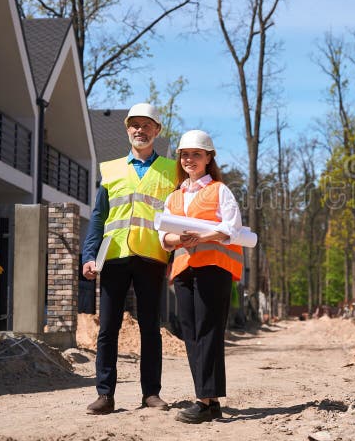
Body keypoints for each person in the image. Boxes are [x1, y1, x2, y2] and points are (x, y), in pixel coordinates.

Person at [81, 102, 177, 415]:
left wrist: (178, 258)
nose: (140, 130)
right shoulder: (109, 170)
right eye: (134, 124)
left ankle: (151, 393)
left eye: (146, 125)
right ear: (127, 129)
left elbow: (179, 218)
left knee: (151, 328)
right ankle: (105, 395)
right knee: (108, 328)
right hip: (115, 257)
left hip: (152, 257)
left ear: (157, 131)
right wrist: (89, 255)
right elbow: (98, 218)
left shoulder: (171, 171)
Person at [157, 129, 244, 424]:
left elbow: (230, 228)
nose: (189, 159)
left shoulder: (220, 191)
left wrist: (201, 236)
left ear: (208, 158)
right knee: (191, 334)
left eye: (196, 154)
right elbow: (164, 238)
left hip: (213, 269)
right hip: (184, 271)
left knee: (208, 331)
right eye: (185, 155)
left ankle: (203, 402)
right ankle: (211, 400)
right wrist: (180, 241)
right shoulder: (174, 197)